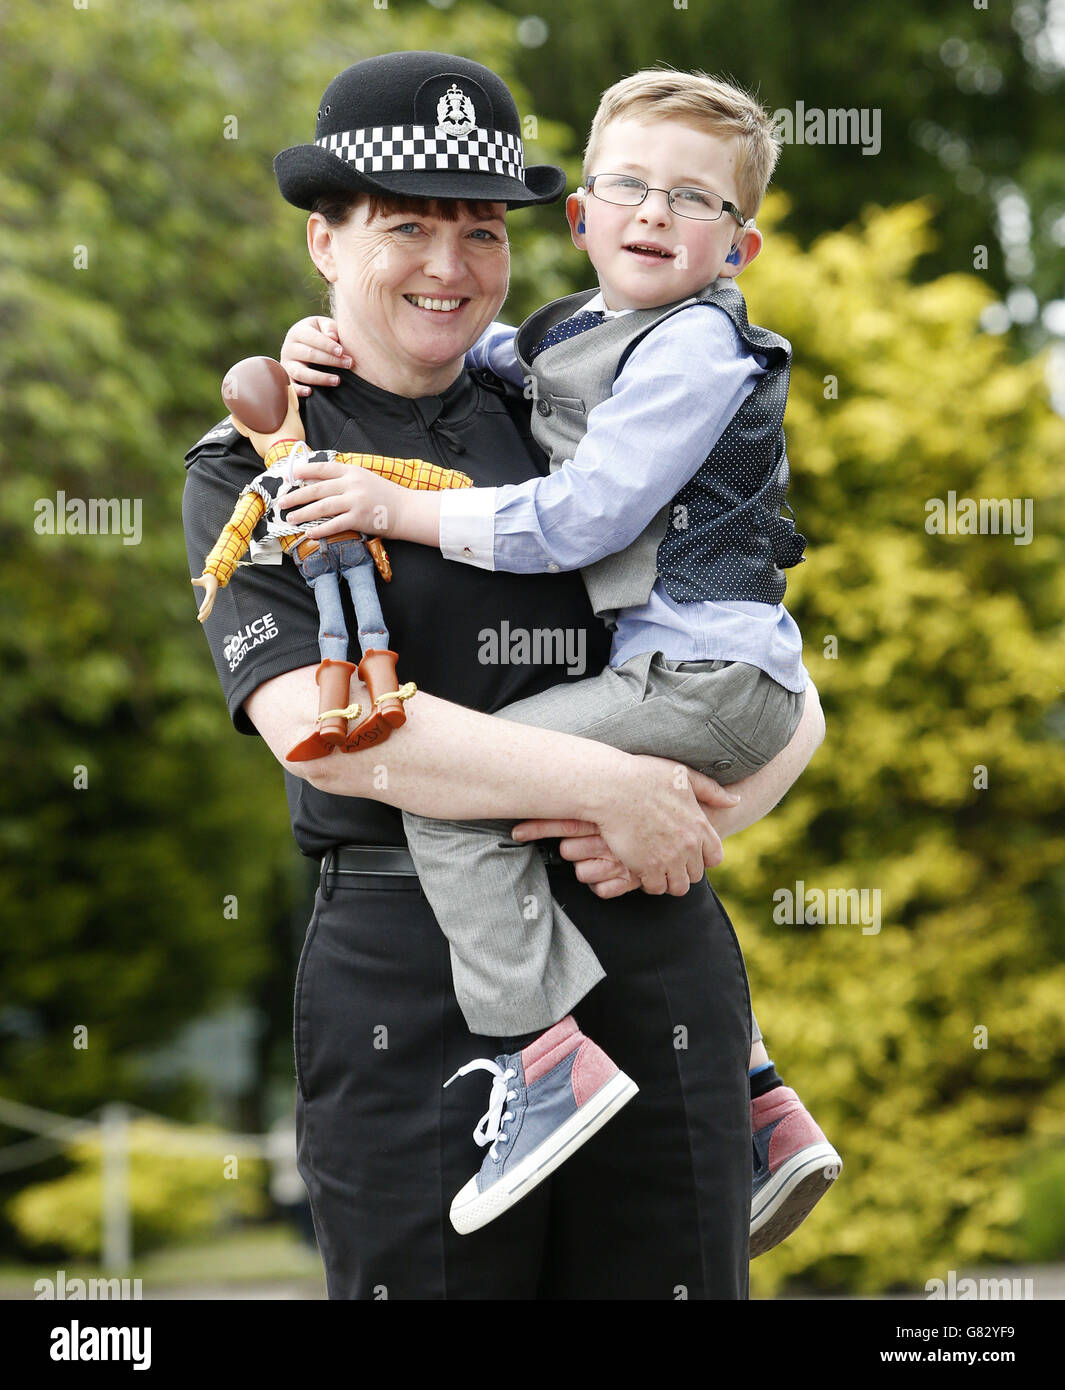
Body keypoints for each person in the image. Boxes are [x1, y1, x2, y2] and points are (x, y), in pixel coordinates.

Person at [183, 51, 818, 1299]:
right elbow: (337, 733)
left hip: (647, 935)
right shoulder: (261, 460)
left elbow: (769, 663)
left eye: (480, 232)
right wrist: (611, 781)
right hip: (407, 968)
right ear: (325, 240)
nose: (449, 266)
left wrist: (709, 810)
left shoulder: (575, 404)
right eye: (406, 227)